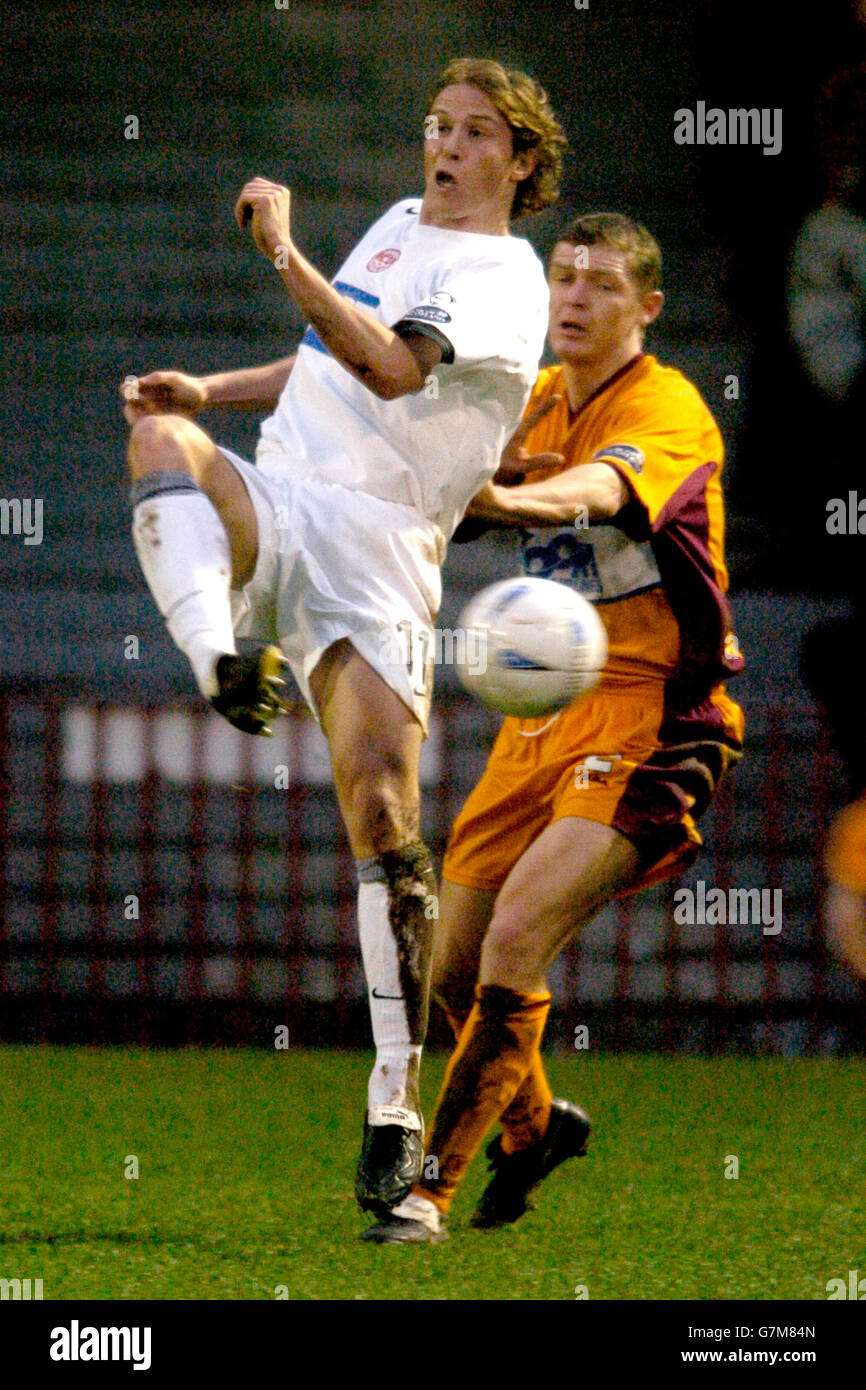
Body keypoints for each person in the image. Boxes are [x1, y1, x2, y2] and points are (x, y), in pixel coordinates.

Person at [119, 58, 566, 1219]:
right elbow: (325, 365)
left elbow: (386, 363)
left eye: (474, 133)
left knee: (382, 822)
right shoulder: (394, 223)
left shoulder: (507, 278)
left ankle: (392, 1103)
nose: (446, 145)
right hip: (287, 497)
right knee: (161, 440)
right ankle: (221, 657)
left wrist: (281, 254)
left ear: (521, 163)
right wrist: (209, 389)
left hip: (381, 547)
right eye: (437, 125)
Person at [363, 212, 746, 1244]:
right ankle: (532, 1129)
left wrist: (497, 495)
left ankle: (424, 1194)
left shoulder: (668, 410)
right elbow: (450, 486)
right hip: (538, 720)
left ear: (645, 308)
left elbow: (596, 490)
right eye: (562, 279)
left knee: (520, 937)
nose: (573, 298)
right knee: (448, 971)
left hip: (654, 712)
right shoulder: (529, 402)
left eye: (601, 284)